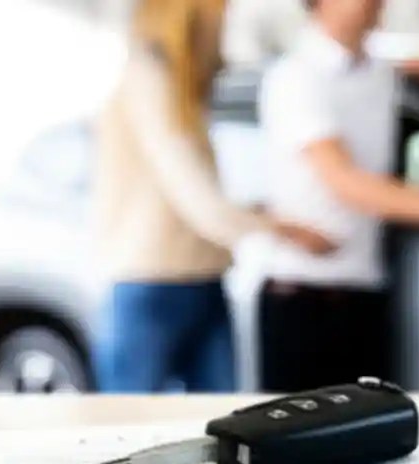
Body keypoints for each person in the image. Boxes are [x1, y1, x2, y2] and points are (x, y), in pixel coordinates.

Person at [255, 0, 419, 392]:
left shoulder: (380, 73)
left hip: (368, 292)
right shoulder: (296, 78)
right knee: (299, 424)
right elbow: (345, 181)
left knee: (376, 422)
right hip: (304, 295)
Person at [93, 0, 333, 394]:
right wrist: (281, 228)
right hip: (152, 283)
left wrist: (257, 213)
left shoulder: (185, 85)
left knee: (219, 418)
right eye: (222, 9)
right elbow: (195, 197)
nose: (226, 20)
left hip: (204, 278)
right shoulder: (149, 75)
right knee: (129, 422)